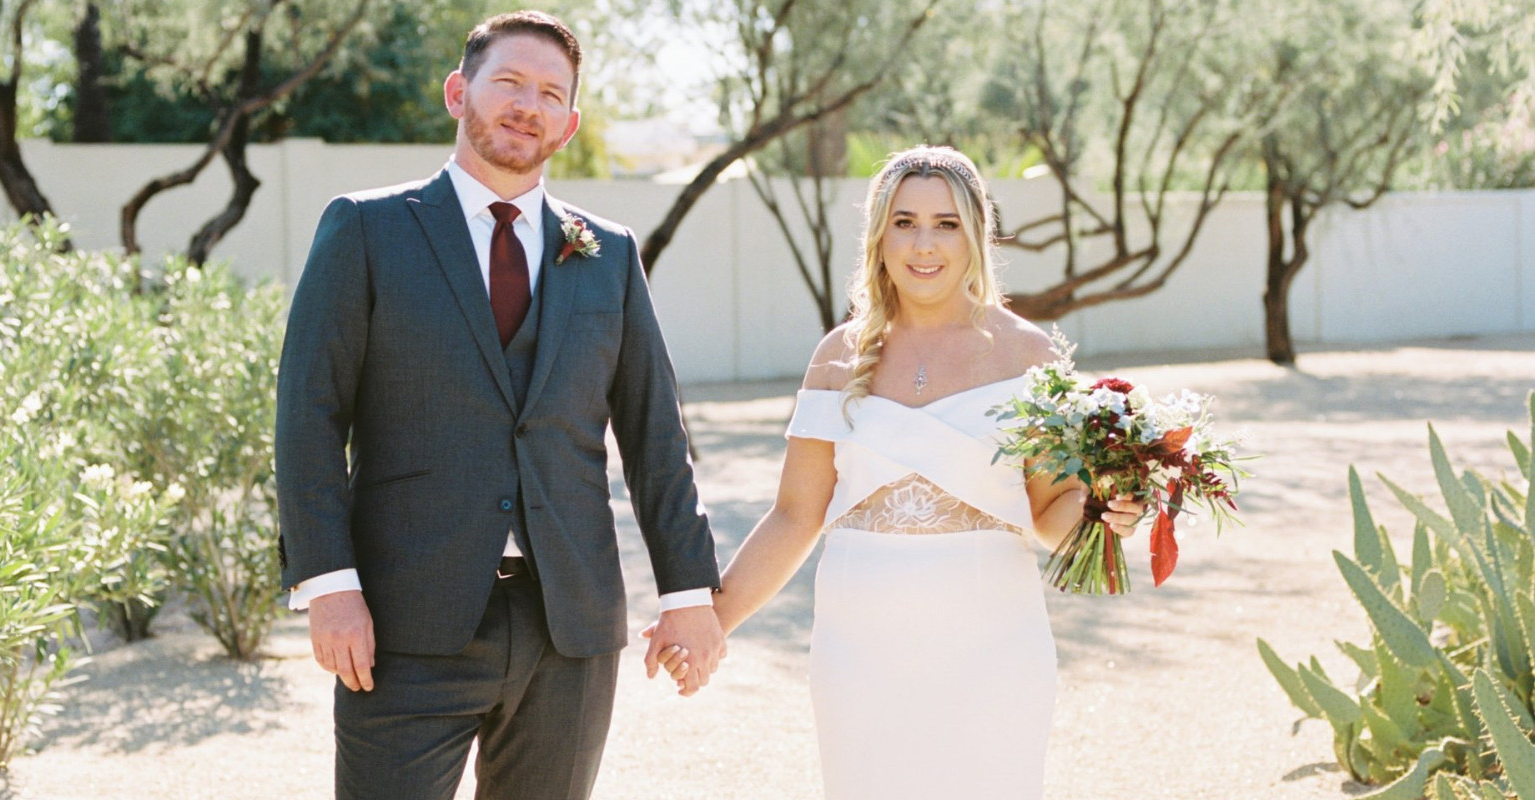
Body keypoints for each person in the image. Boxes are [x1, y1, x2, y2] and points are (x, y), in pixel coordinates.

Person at [274, 11, 725, 799]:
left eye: (552, 93)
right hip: (405, 622)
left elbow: (657, 435)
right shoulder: (369, 229)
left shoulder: (607, 252)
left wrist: (688, 595)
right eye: (509, 82)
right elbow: (308, 415)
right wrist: (329, 584)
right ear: (459, 92)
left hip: (570, 625)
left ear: (570, 123)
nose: (529, 104)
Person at [655, 146, 1146, 798]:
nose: (924, 244)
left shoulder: (1028, 352)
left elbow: (1052, 515)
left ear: (976, 235)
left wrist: (1107, 515)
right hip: (858, 650)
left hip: (994, 647)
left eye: (946, 224)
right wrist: (709, 623)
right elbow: (796, 515)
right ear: (878, 234)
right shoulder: (836, 355)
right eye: (904, 221)